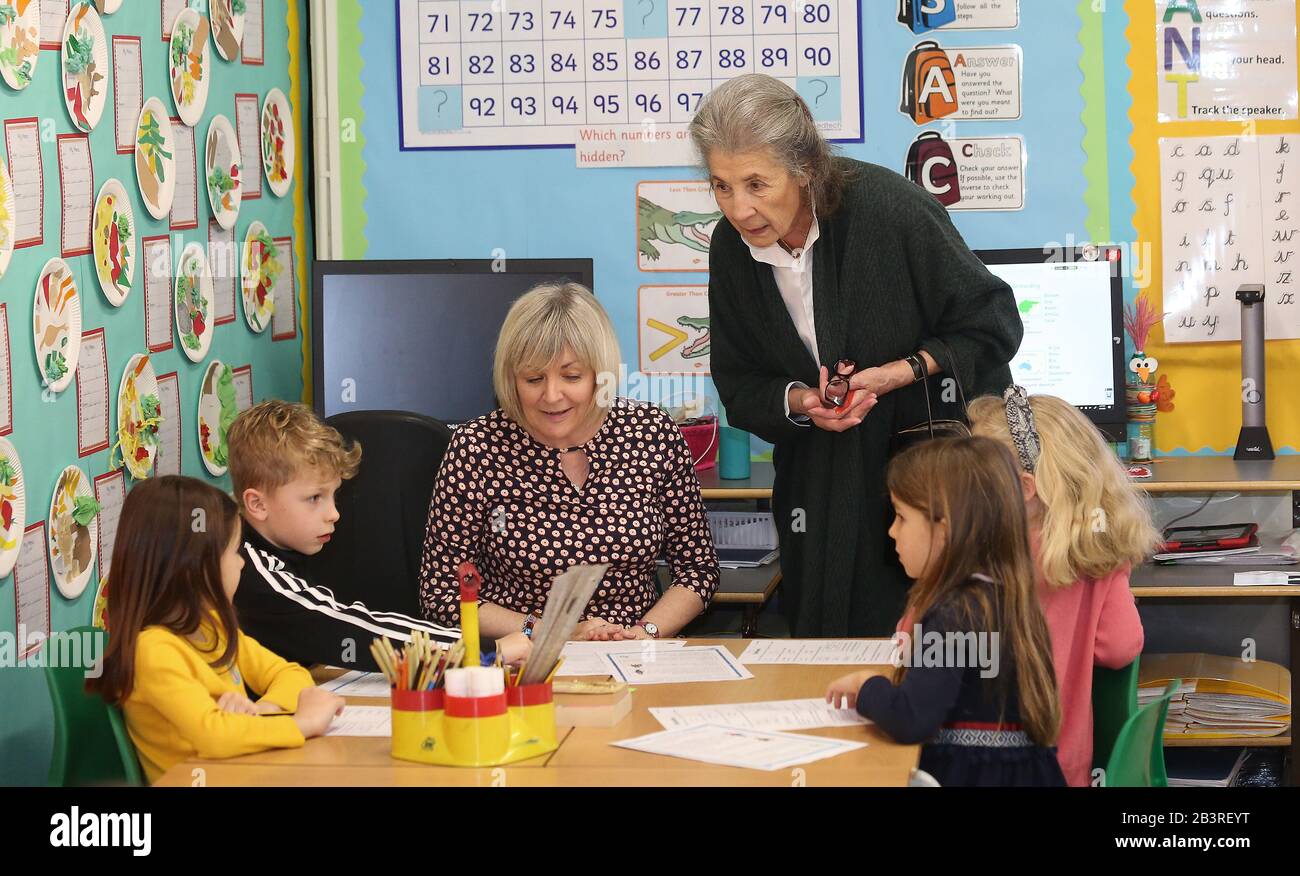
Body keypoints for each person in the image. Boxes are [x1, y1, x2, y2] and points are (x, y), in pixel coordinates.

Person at [692, 73, 1024, 636]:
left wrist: (900, 373)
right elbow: (739, 382)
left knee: (927, 665)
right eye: (721, 186)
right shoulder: (731, 250)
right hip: (816, 493)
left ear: (803, 168)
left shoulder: (890, 209)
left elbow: (992, 322)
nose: (739, 209)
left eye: (756, 184)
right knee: (824, 658)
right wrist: (803, 401)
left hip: (925, 483)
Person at [420, 282, 719, 643]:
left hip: (635, 652)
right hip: (524, 654)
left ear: (599, 374)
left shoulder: (651, 432)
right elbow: (442, 595)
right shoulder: (476, 447)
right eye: (533, 378)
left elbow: (697, 570)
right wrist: (549, 632)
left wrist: (645, 632)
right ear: (510, 379)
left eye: (572, 376)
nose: (551, 395)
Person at [826, 437, 1066, 787]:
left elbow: (911, 718)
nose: (892, 531)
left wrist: (867, 687)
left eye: (902, 517)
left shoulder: (955, 616)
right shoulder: (1000, 595)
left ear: (945, 529)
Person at [227, 400, 531, 669]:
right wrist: (484, 650)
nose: (334, 513)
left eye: (334, 496)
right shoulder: (247, 569)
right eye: (314, 498)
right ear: (257, 504)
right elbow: (353, 627)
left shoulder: (280, 550)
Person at [88, 476, 345, 784]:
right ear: (194, 564)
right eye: (234, 552)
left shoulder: (213, 628)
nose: (240, 564)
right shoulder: (153, 650)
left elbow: (291, 674)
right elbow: (214, 736)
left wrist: (263, 709)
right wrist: (303, 723)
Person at [969, 388, 1155, 786]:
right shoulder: (1098, 553)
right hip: (1063, 769)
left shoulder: (980, 554)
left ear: (1022, 487)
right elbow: (1120, 647)